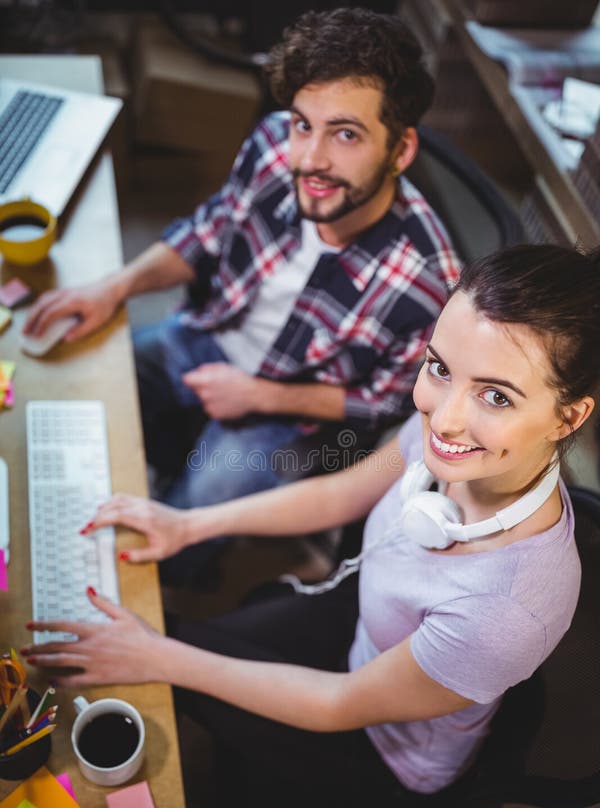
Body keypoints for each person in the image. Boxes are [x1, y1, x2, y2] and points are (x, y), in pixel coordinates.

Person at [22, 244, 598, 808]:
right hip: (361, 624)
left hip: (379, 750)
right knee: (160, 646)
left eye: (495, 396)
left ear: (568, 417)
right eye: (440, 367)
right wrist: (186, 524)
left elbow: (338, 704)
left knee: (157, 660)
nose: (444, 418)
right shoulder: (451, 439)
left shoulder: (506, 609)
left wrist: (160, 657)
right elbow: (339, 493)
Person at [23, 7, 460, 584]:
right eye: (304, 124)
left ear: (401, 150)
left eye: (346, 134)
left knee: (195, 513)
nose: (310, 159)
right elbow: (208, 232)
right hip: (207, 334)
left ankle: (173, 583)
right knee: (90, 389)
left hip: (292, 411)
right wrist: (114, 289)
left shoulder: (431, 280)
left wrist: (258, 395)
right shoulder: (274, 147)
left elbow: (383, 402)